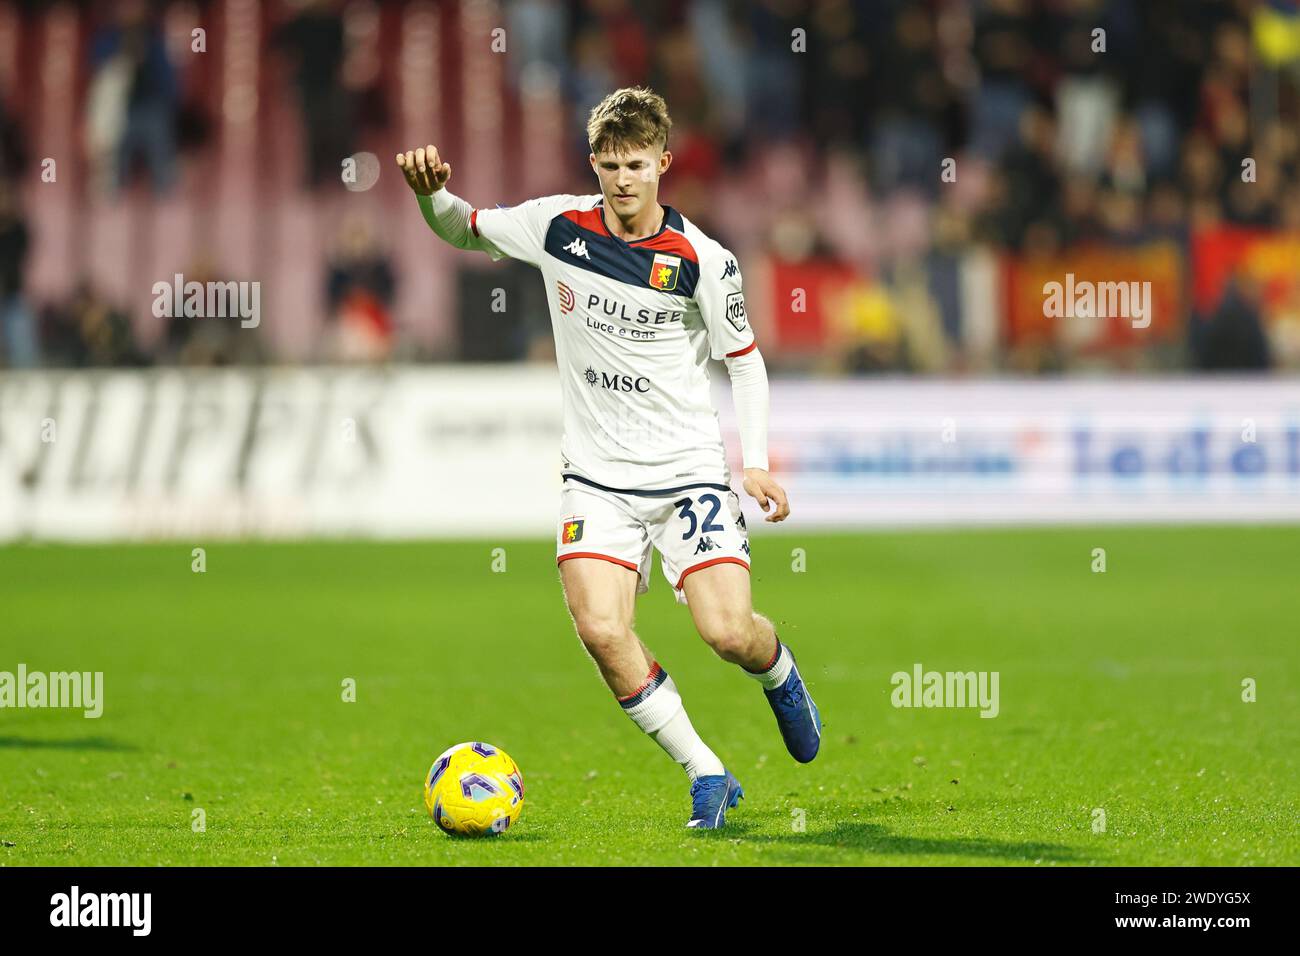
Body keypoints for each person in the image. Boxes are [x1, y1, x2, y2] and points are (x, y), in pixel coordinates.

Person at [397, 87, 821, 829]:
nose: (624, 180)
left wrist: (753, 461)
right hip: (596, 478)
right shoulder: (557, 225)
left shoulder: (703, 261)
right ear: (593, 163)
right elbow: (465, 229)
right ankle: (707, 772)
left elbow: (745, 362)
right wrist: (432, 197)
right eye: (610, 165)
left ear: (663, 162)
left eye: (637, 165)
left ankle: (779, 671)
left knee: (727, 633)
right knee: (599, 628)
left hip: (687, 472)